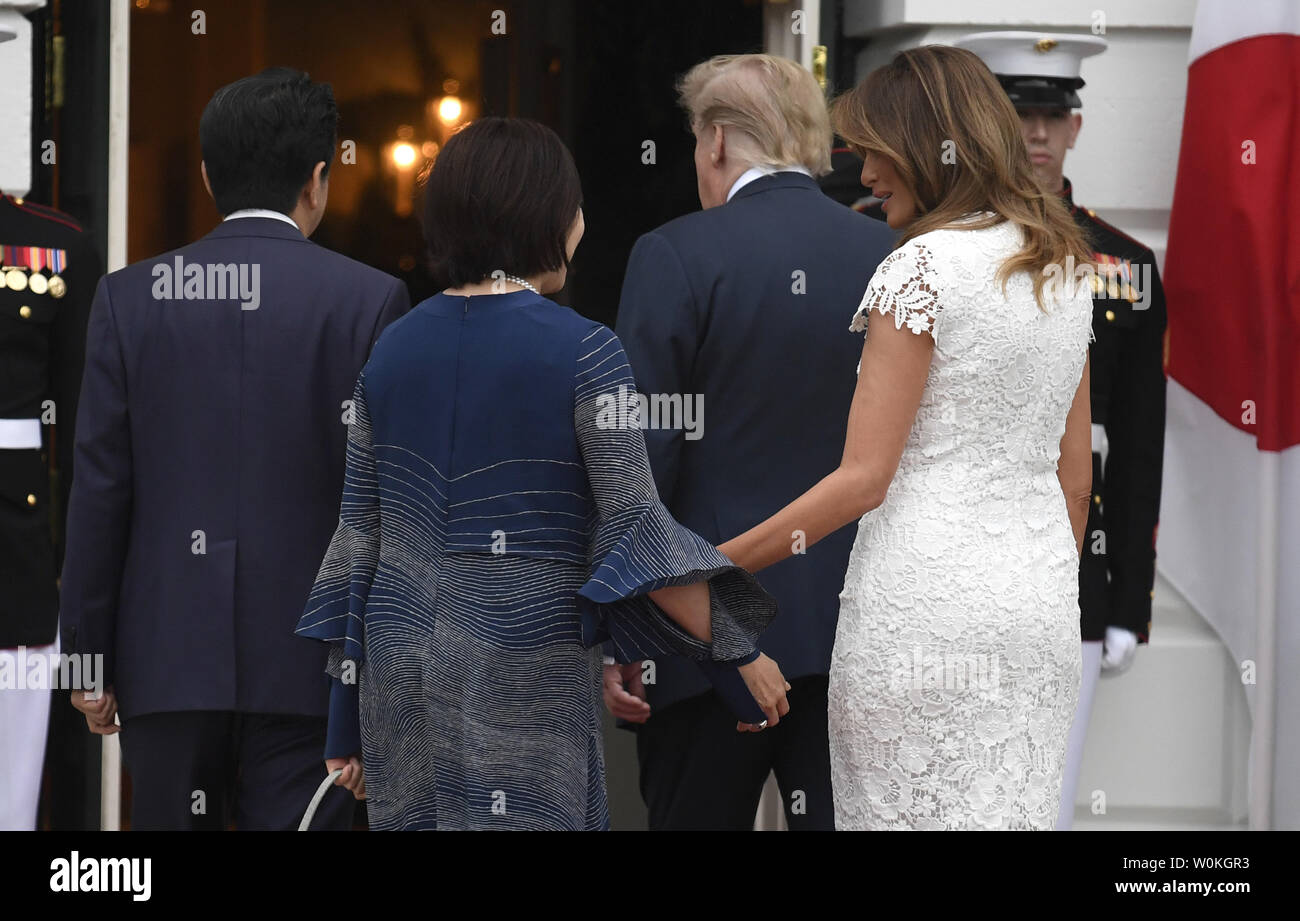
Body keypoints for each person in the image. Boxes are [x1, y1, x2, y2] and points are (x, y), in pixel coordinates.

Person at [294, 116, 788, 831]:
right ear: (548, 218)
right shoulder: (587, 350)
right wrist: (737, 654)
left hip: (398, 675)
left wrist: (345, 721)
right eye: (575, 206)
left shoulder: (392, 350)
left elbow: (359, 539)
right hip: (520, 665)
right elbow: (637, 529)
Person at [716, 45, 1097, 830]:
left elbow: (863, 479)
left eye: (877, 155)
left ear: (929, 145)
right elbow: (1075, 481)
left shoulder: (920, 266)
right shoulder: (1061, 264)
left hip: (918, 613)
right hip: (1037, 609)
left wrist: (713, 563)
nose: (866, 177)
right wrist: (1035, 586)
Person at [59, 68, 410, 830]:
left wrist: (87, 660)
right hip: (314, 675)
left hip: (165, 667)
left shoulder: (128, 299)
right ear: (319, 178)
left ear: (209, 174)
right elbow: (386, 507)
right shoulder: (370, 301)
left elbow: (99, 494)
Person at [610, 53, 894, 830]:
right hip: (854, 636)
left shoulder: (674, 254)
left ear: (714, 142)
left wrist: (625, 633)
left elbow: (640, 468)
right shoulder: (888, 261)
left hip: (704, 642)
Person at [956, 31, 1168, 829]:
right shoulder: (945, 250)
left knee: (1042, 803)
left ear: (1076, 127)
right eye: (1021, 115)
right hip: (953, 563)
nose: (1038, 135)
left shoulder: (1126, 263)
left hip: (1077, 564)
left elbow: (1142, 443)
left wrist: (1127, 602)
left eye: (1054, 115)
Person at [0, 191, 98, 830]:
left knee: (9, 800)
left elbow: (90, 435)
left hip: (15, 565)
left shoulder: (53, 245)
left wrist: (82, 579)